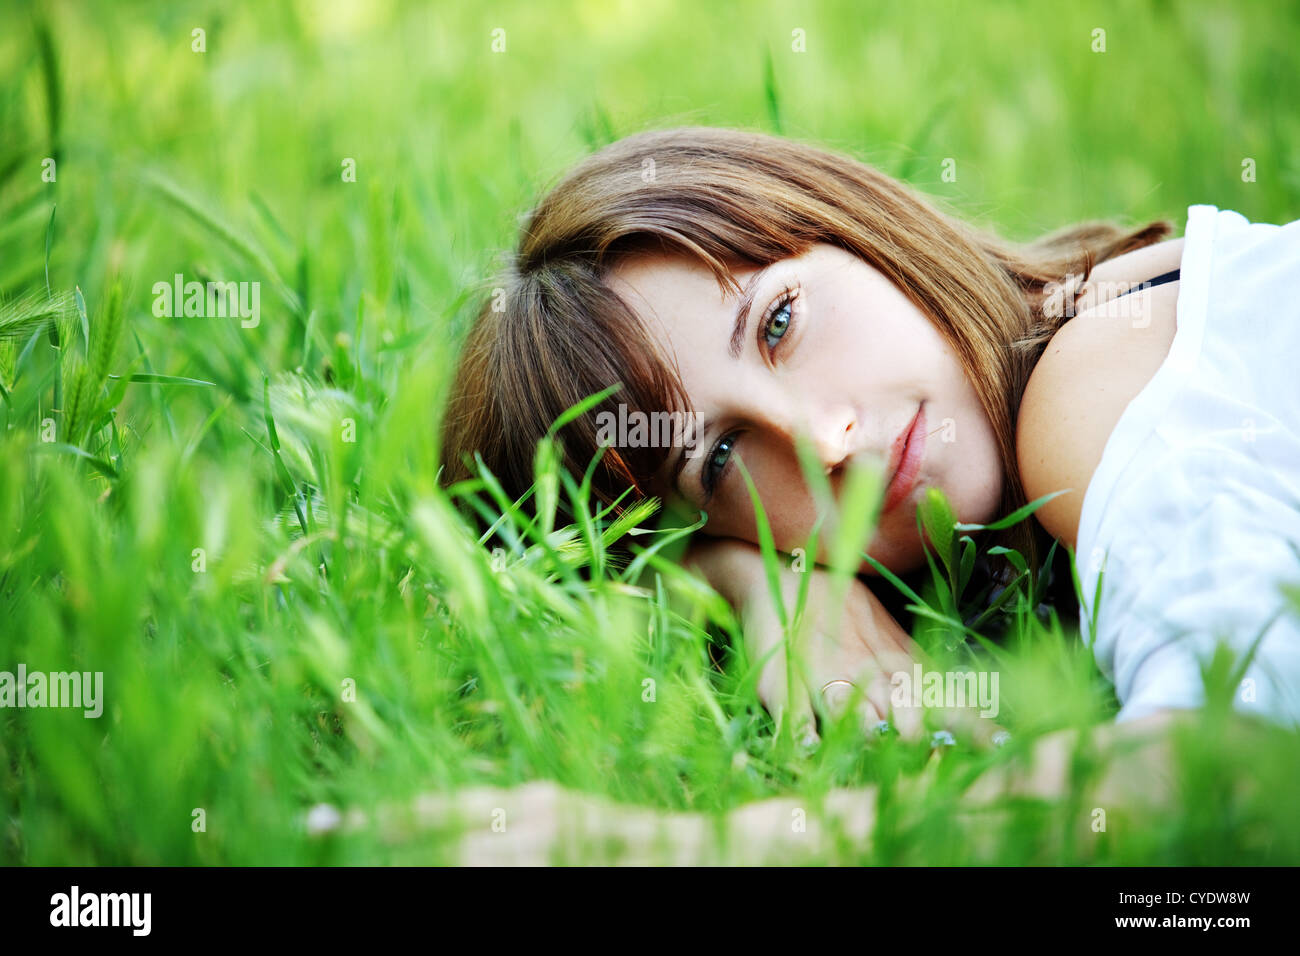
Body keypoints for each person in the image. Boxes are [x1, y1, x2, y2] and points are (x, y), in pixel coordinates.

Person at [439, 124, 1300, 748]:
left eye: (780, 322)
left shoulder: (1087, 381)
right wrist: (752, 585)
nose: (827, 438)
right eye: (724, 458)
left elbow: (1234, 763)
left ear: (852, 228)